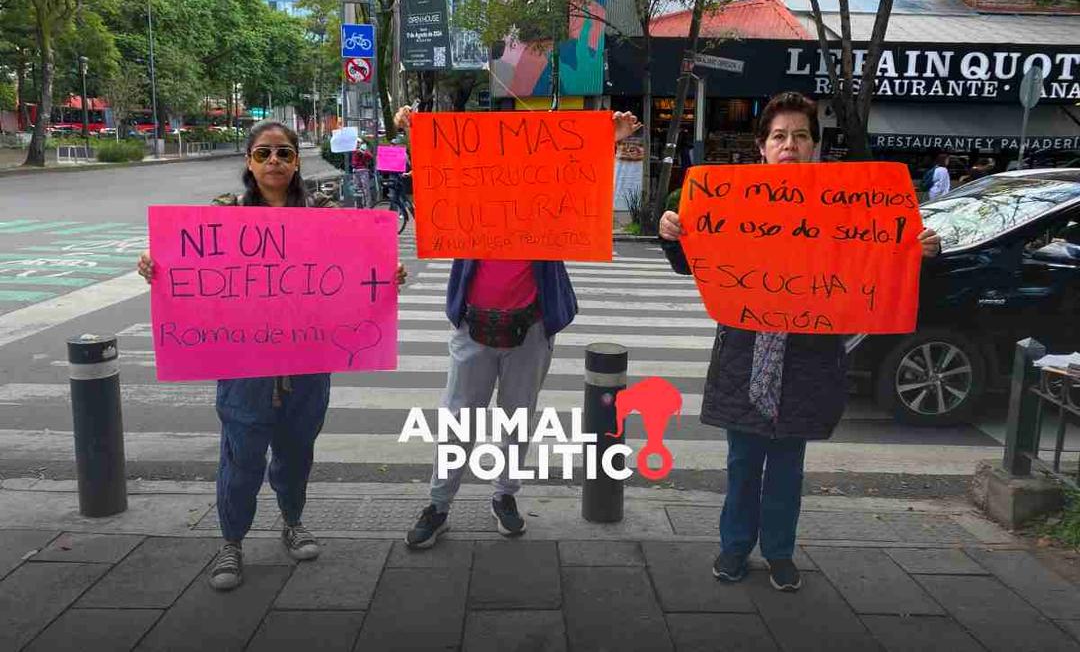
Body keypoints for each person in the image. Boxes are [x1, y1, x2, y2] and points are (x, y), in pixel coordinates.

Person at [657, 92, 941, 592]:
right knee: (743, 464)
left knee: (788, 469)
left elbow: (878, 262)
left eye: (801, 136)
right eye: (779, 136)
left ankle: (780, 553)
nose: (790, 144)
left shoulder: (844, 205)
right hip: (745, 358)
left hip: (808, 362)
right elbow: (689, 262)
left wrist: (917, 252)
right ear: (762, 147)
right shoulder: (732, 201)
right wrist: (671, 233)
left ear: (815, 146)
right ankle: (735, 547)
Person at [136, 121, 407, 591]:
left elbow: (355, 266)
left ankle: (292, 520)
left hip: (307, 360)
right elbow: (190, 262)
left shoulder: (323, 212)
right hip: (244, 367)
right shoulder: (225, 215)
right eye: (263, 154)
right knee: (241, 458)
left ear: (297, 160)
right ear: (249, 161)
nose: (274, 161)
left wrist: (388, 274)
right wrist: (155, 264)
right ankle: (231, 542)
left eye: (283, 152)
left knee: (297, 451)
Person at [393, 104, 641, 549]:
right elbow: (439, 171)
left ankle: (505, 496)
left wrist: (611, 139)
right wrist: (415, 130)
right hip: (473, 325)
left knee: (517, 419)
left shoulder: (549, 198)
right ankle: (439, 504)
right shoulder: (469, 194)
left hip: (530, 326)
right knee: (458, 421)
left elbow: (578, 175)